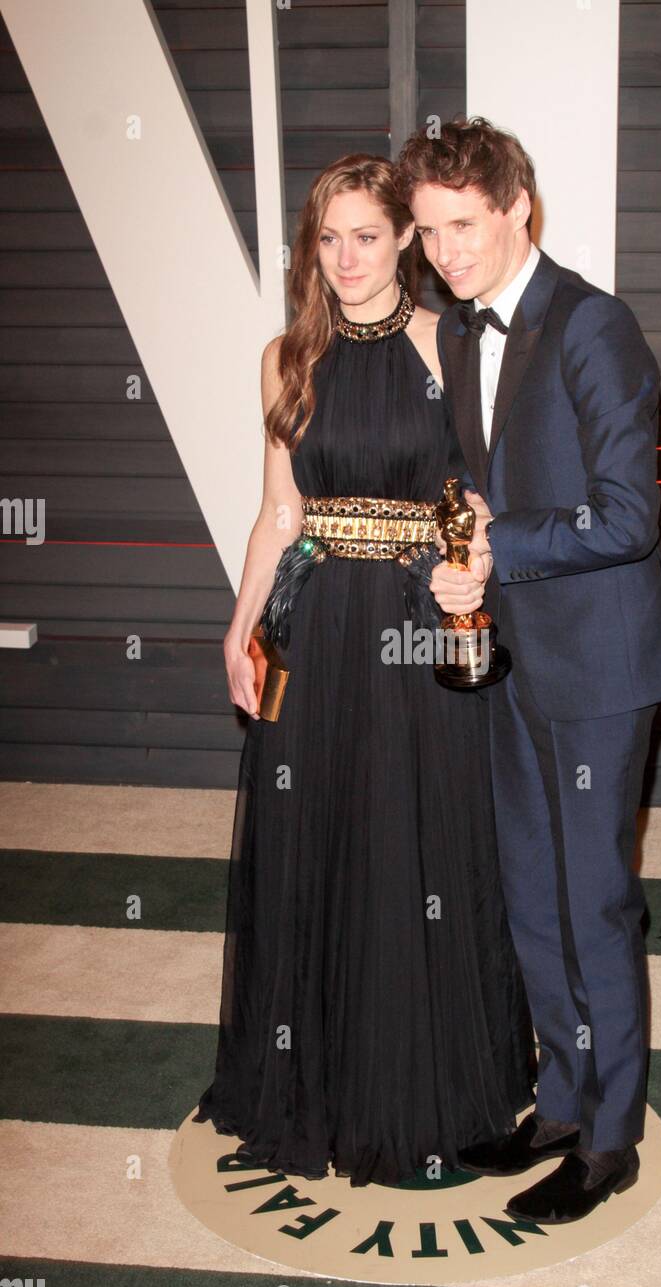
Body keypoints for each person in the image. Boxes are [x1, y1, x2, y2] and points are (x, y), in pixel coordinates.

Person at [193, 154, 537, 1188]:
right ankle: (315, 1081)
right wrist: (238, 622)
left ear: (407, 243)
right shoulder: (285, 357)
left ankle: (424, 1085)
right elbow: (281, 511)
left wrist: (468, 572)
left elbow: (481, 498)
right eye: (327, 239)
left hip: (416, 621)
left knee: (417, 848)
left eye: (368, 237)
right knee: (317, 842)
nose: (345, 259)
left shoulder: (452, 343)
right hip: (321, 622)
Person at [396, 118, 661, 1222]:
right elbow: (484, 497)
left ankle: (609, 1139)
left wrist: (497, 543)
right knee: (532, 892)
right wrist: (465, 560)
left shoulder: (593, 326)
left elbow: (626, 519)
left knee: (594, 901)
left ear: (519, 207)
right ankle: (561, 1098)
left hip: (601, 670)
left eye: (463, 225)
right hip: (515, 660)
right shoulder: (465, 335)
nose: (446, 252)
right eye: (428, 231)